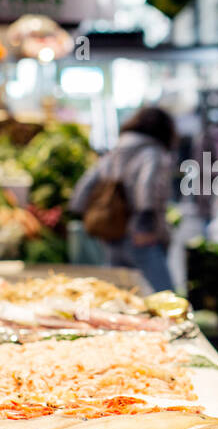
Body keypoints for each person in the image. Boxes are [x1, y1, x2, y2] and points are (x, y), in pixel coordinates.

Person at [70, 106, 176, 292]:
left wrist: (77, 212)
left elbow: (86, 183)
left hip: (112, 230)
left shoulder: (116, 151)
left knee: (118, 292)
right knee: (165, 292)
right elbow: (147, 187)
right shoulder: (153, 153)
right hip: (140, 233)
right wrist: (146, 225)